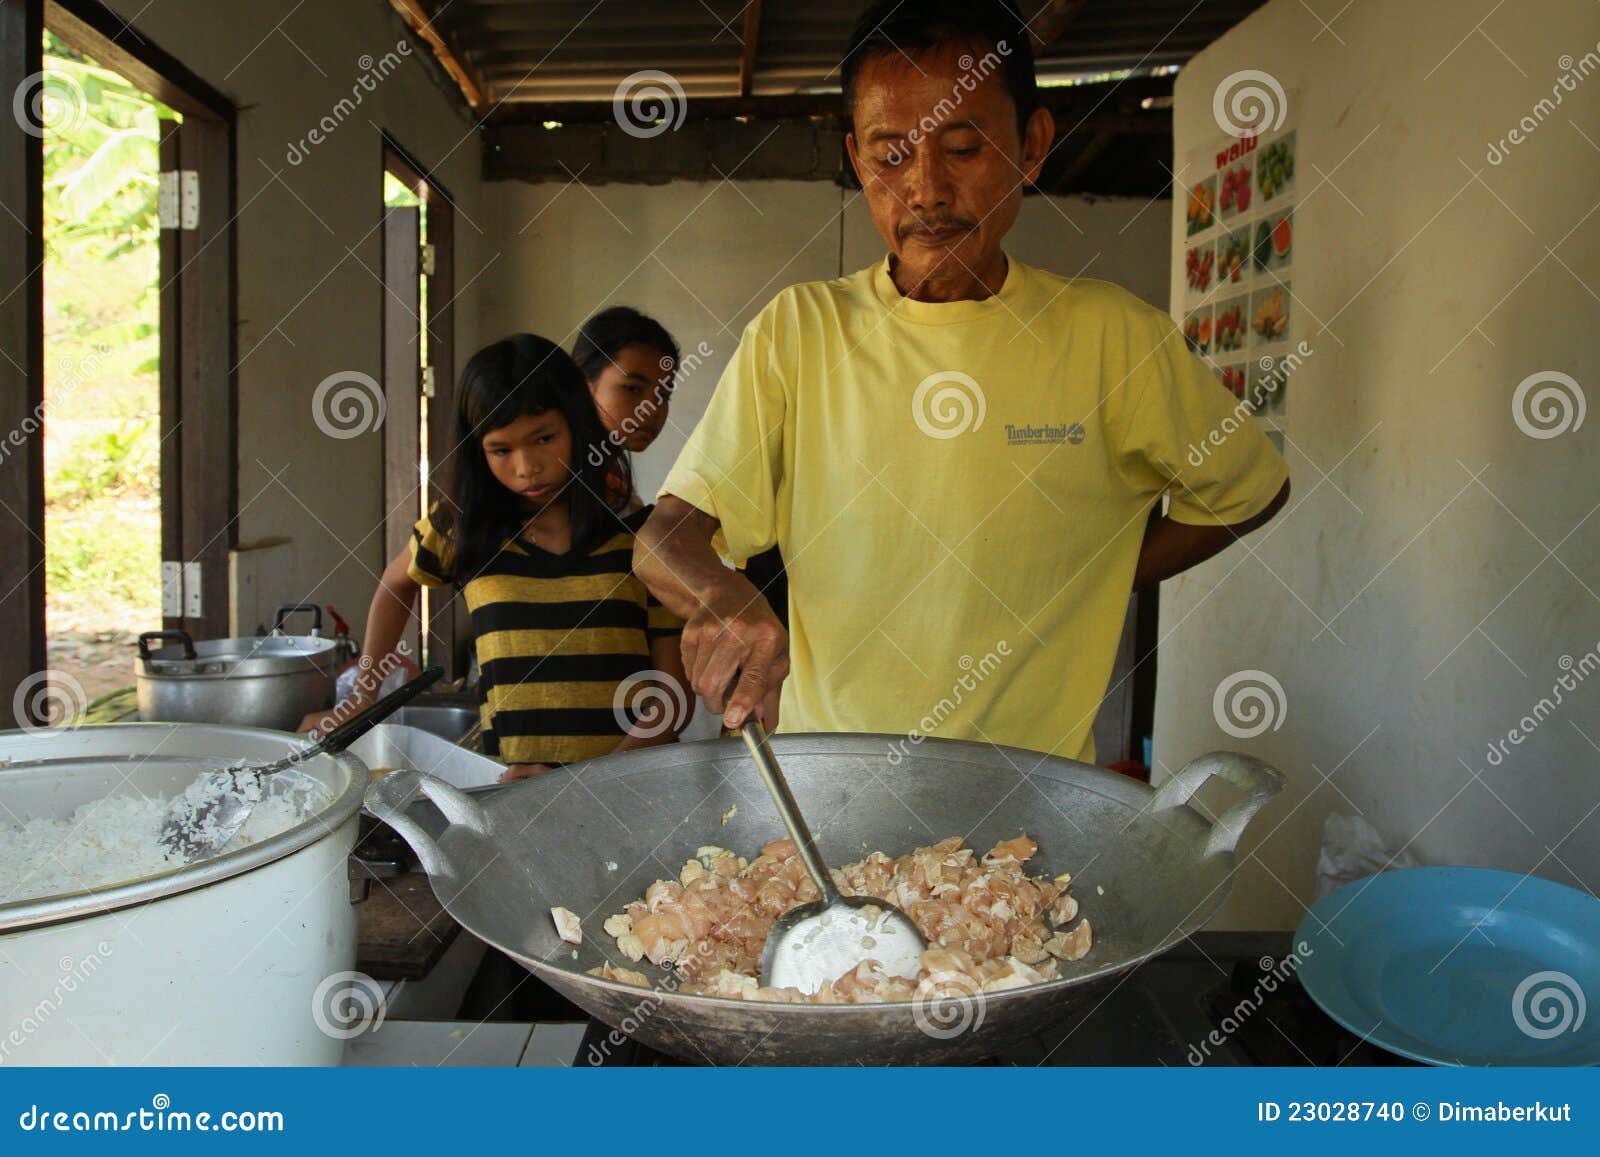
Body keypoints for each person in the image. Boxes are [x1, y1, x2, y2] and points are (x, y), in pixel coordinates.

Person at [634, 0, 1290, 765]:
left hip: (1033, 810)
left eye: (964, 147)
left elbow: (1248, 488)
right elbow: (666, 535)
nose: (926, 189)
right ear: (856, 159)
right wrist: (721, 595)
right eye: (890, 155)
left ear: (1032, 145)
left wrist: (1098, 572)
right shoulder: (800, 333)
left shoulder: (1117, 340)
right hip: (829, 797)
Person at [311, 334, 691, 780]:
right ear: (478, 452)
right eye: (501, 450)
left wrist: (589, 782)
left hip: (627, 792)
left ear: (578, 423)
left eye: (544, 438)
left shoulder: (640, 538)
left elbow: (672, 696)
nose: (526, 467)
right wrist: (363, 695)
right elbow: (398, 583)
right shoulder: (462, 530)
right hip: (506, 792)